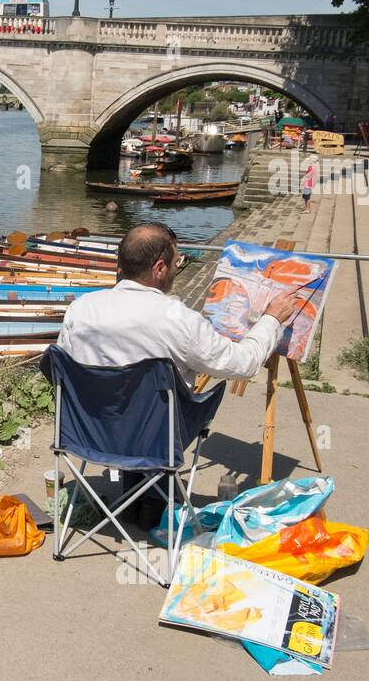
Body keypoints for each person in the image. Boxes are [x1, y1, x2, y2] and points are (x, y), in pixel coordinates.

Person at [56, 222, 302, 527]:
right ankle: (152, 502)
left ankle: (141, 500)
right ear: (160, 268)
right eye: (176, 262)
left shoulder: (80, 309)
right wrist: (271, 319)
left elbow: (64, 369)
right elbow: (242, 363)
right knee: (168, 402)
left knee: (137, 400)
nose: (176, 267)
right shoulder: (175, 318)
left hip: (88, 433)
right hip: (154, 438)